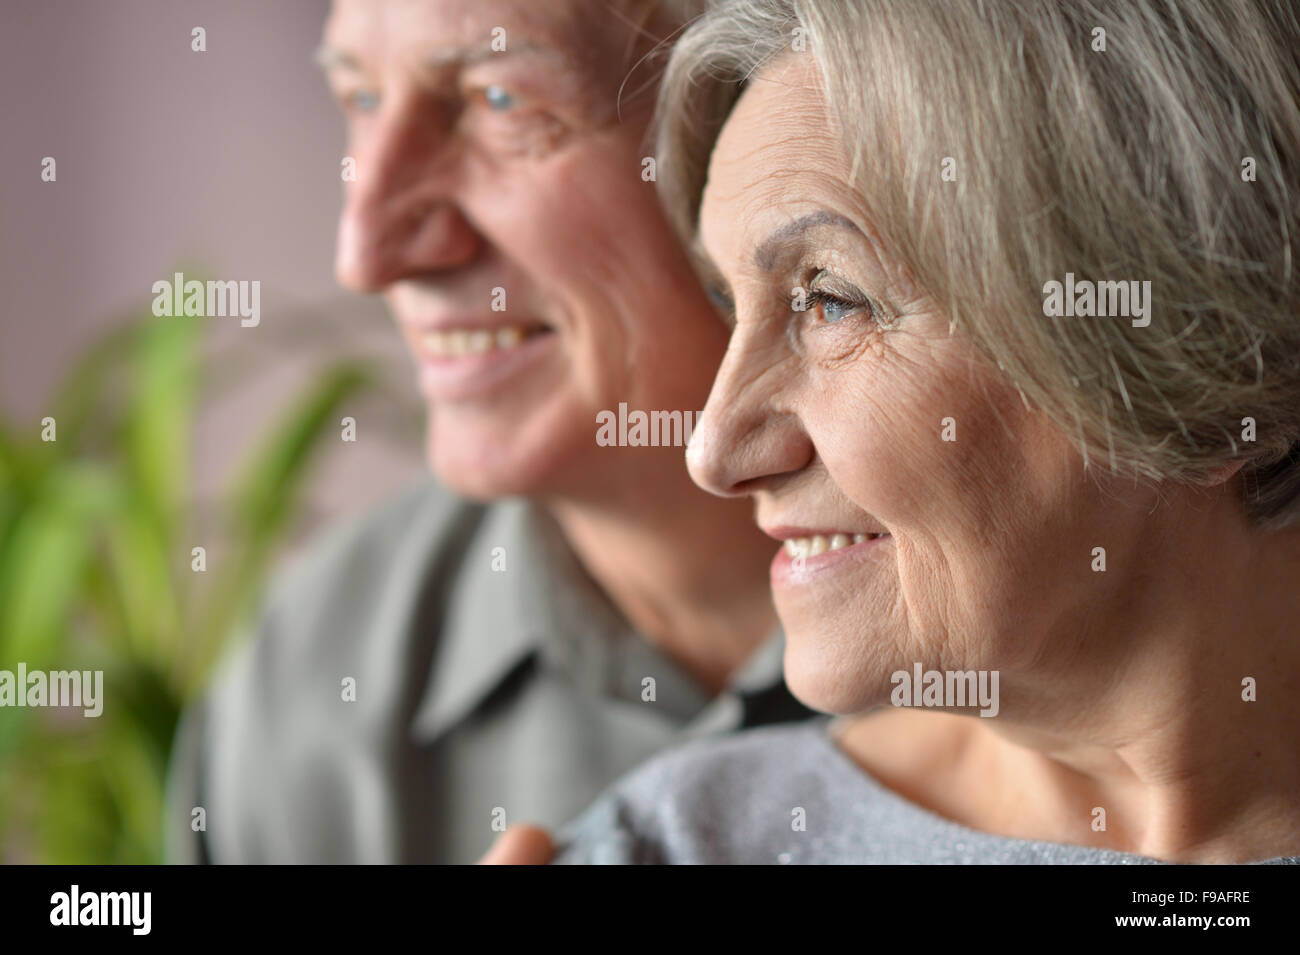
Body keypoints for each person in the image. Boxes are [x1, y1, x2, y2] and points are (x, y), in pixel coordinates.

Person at [547, 0, 1300, 864]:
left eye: (832, 301)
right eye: (730, 304)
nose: (716, 450)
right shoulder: (673, 847)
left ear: (1204, 338)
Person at [164, 0, 812, 865]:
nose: (368, 252)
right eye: (359, 98)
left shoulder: (1020, 643)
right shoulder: (304, 681)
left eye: (501, 101)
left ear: (770, 114)